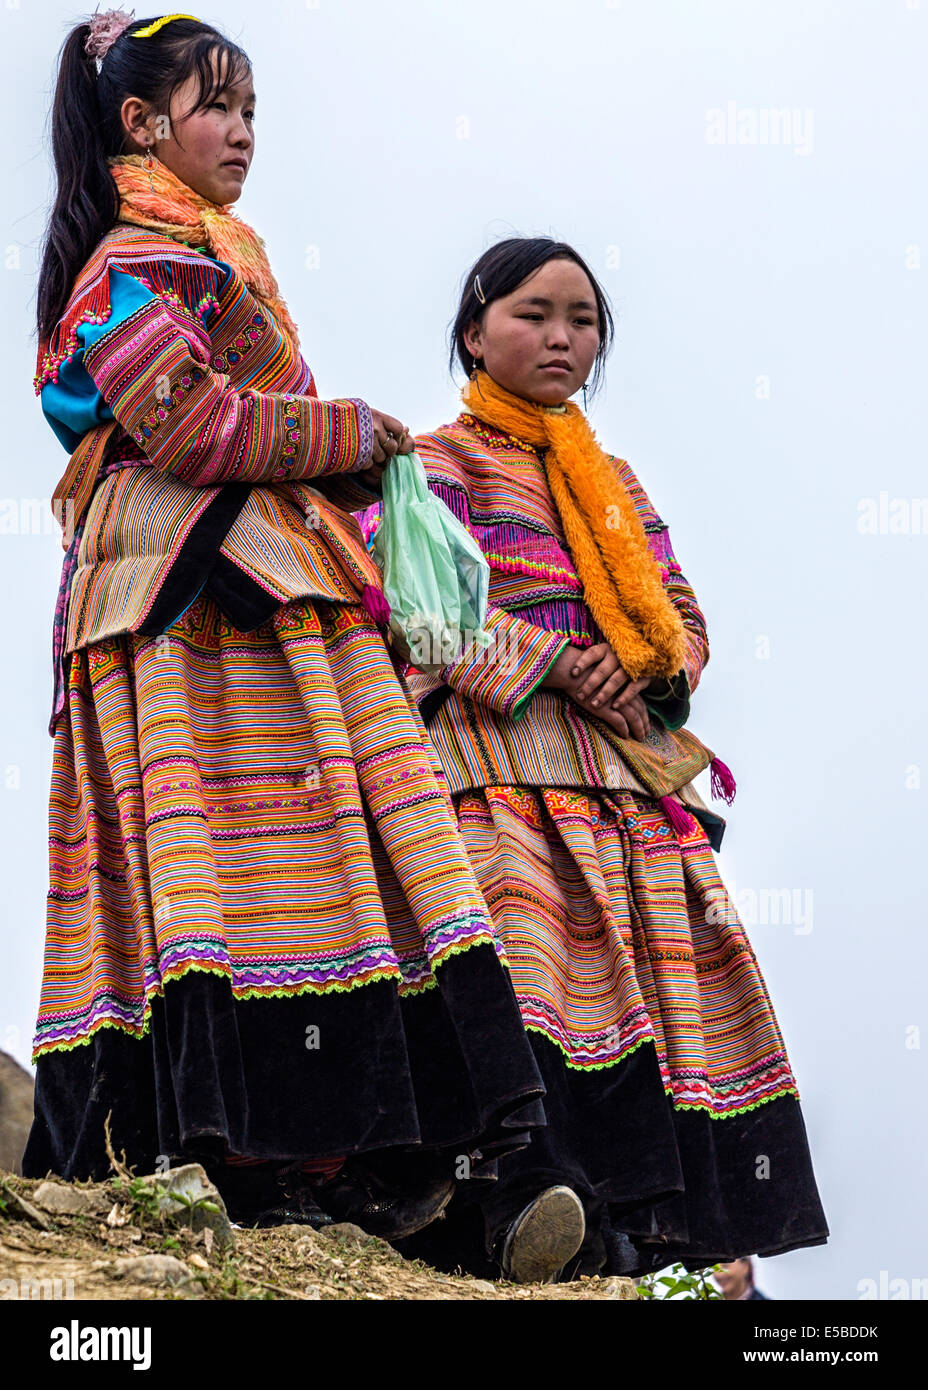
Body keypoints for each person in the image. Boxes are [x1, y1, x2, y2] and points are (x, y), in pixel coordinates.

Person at [22, 12, 548, 1241]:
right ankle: (235, 1151)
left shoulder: (216, 258)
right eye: (220, 106)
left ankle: (336, 1158)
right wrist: (357, 436)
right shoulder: (127, 268)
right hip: (186, 601)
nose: (245, 133)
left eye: (253, 110)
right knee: (243, 861)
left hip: (263, 597)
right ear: (143, 125)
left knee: (309, 869)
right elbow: (192, 429)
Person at [359, 237, 829, 1281]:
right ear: (474, 330)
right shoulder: (432, 464)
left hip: (621, 779)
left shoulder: (610, 483)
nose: (562, 336)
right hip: (494, 764)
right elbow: (415, 612)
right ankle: (506, 1203)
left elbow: (684, 619)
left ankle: (618, 1226)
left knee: (649, 1002)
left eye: (582, 319)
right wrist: (555, 663)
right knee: (526, 975)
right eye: (535, 313)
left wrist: (646, 671)